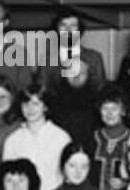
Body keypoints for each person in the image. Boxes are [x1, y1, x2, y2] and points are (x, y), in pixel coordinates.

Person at [42, 10, 107, 149]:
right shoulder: (47, 59)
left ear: (80, 30)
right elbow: (44, 94)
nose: (68, 30)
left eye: (73, 25)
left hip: (89, 125)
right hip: (58, 123)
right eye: (63, 25)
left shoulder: (94, 58)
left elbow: (101, 92)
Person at [2, 83, 71, 190]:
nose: (30, 109)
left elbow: (68, 177)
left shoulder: (61, 138)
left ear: (45, 107)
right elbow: (5, 178)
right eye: (26, 104)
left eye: (35, 104)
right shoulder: (12, 140)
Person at [91, 88, 130, 190]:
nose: (109, 113)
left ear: (123, 111)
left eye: (114, 108)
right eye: (105, 108)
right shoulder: (92, 138)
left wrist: (125, 184)